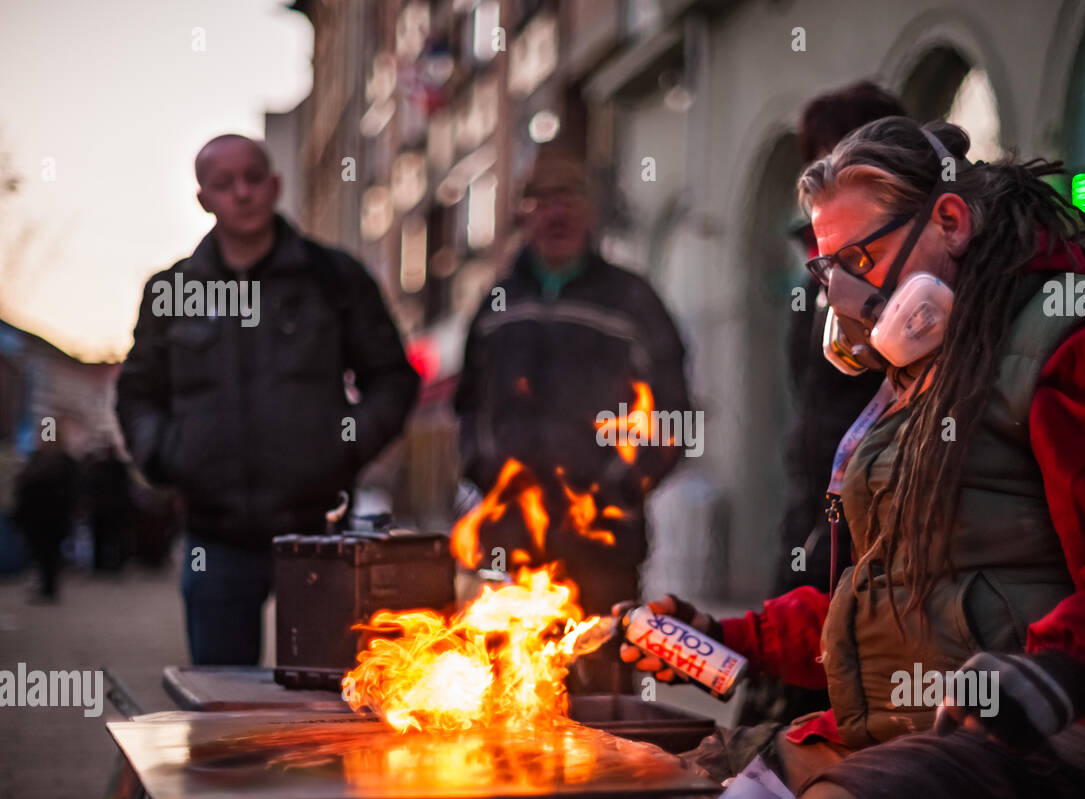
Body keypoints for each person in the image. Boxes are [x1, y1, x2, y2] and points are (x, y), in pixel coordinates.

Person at [623, 117, 1085, 799]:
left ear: (951, 220)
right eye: (831, 270)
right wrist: (718, 637)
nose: (850, 296)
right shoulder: (922, 382)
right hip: (912, 738)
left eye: (864, 255)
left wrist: (1059, 671)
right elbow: (888, 600)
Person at [116, 134, 419, 665]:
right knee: (224, 714)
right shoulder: (173, 290)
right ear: (203, 199)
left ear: (275, 186)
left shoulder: (332, 278)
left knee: (326, 700)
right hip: (216, 536)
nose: (243, 193)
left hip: (318, 533)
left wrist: (343, 448)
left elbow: (392, 378)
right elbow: (138, 391)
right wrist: (166, 455)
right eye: (224, 183)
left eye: (254, 178)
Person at [454, 146, 691, 628]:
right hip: (510, 535)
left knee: (599, 686)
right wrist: (485, 473)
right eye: (541, 201)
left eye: (568, 198)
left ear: (590, 211)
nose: (555, 213)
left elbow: (674, 415)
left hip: (603, 541)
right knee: (508, 686)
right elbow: (468, 406)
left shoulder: (632, 300)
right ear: (524, 214)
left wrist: (619, 490)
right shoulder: (499, 301)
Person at [773, 79, 905, 601]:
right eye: (816, 160)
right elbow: (808, 408)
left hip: (886, 532)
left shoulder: (919, 278)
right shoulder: (814, 284)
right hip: (818, 514)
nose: (823, 176)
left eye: (840, 154)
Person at [13, 442, 78, 602]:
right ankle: (47, 586)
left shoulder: (51, 461)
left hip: (48, 515)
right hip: (45, 515)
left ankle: (48, 587)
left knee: (47, 553)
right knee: (45, 553)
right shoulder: (43, 459)